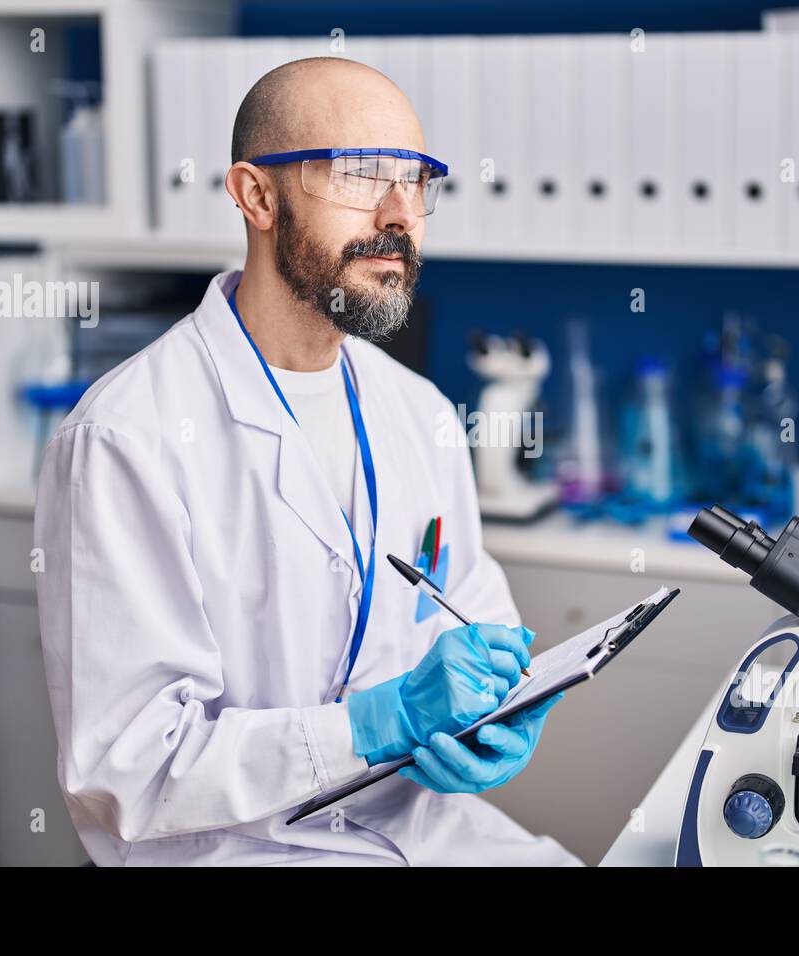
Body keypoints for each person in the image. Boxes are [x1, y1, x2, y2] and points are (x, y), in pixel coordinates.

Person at [33, 56, 580, 866]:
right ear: (257, 196)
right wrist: (369, 725)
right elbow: (128, 768)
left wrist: (505, 706)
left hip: (426, 833)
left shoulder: (419, 410)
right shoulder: (125, 438)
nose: (400, 214)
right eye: (363, 176)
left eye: (418, 181)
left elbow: (473, 609)